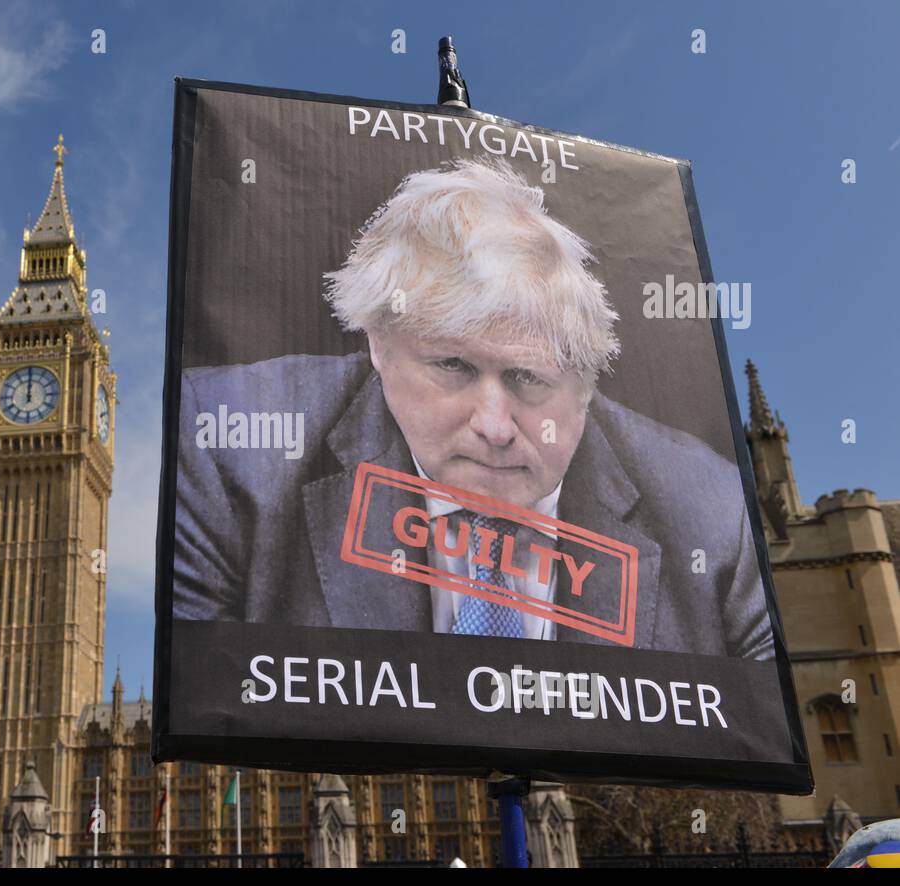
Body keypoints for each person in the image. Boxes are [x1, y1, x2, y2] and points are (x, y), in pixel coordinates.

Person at [174, 158, 773, 659]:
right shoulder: (232, 446)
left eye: (529, 378)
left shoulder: (714, 515)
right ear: (379, 347)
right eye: (452, 367)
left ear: (586, 384)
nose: (494, 427)